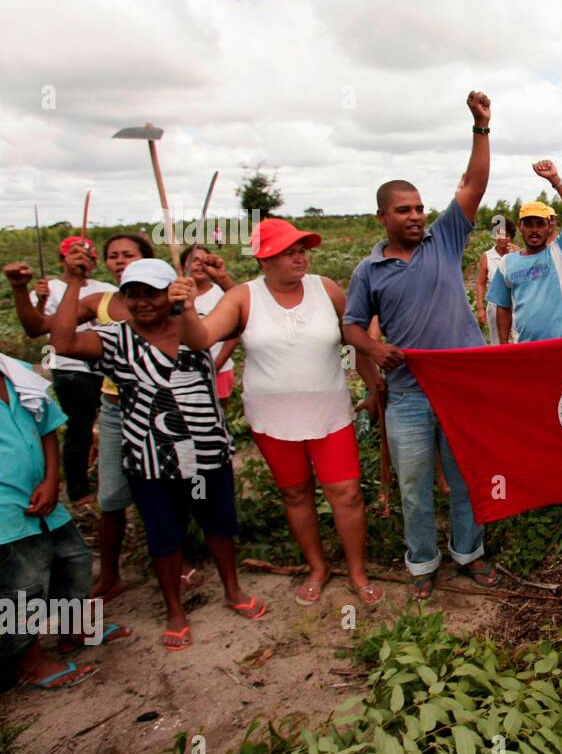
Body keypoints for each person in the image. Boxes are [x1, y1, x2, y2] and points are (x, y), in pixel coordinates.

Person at [52, 256, 264, 650]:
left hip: (206, 453)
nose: (141, 302)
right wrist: (72, 283)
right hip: (151, 457)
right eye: (132, 294)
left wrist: (201, 290)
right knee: (164, 535)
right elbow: (62, 343)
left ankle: (232, 590)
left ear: (172, 293)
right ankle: (174, 610)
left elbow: (238, 320)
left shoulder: (194, 326)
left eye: (151, 292)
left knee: (218, 524)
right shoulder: (114, 338)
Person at [178, 218, 385, 607]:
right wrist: (187, 309)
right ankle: (318, 567)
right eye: (287, 252)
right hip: (272, 417)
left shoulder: (326, 289)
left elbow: (353, 340)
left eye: (301, 250)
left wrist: (374, 388)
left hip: (329, 412)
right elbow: (200, 339)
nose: (298, 257)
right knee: (295, 493)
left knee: (347, 494)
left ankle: (357, 570)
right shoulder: (243, 297)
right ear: (263, 260)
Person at [342, 90, 499, 596]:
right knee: (414, 488)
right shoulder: (369, 270)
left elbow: (474, 183)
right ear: (382, 217)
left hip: (463, 389)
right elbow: (349, 325)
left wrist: (480, 127)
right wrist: (372, 349)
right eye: (403, 210)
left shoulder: (445, 238)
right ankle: (423, 564)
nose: (414, 216)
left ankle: (469, 553)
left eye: (419, 208)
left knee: (468, 477)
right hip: (407, 393)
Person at [5, 234, 167, 603]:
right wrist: (34, 288)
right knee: (111, 497)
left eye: (129, 254)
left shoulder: (165, 299)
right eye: (112, 256)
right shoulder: (102, 299)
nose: (119, 261)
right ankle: (110, 574)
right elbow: (40, 331)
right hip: (116, 406)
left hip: (163, 408)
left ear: (147, 261)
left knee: (165, 490)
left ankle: (174, 563)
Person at [0, 351, 130, 690]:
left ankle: (73, 628)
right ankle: (27, 659)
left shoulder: (17, 376)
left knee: (72, 559)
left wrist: (51, 480)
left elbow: (46, 430)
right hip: (5, 512)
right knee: (19, 587)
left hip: (41, 497)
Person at [6, 237, 115, 511]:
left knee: (103, 426)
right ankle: (78, 490)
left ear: (95, 262)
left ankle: (109, 482)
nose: (83, 260)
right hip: (68, 368)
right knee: (78, 428)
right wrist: (37, 299)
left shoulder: (107, 289)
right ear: (61, 260)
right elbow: (36, 326)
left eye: (88, 255)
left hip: (106, 369)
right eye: (75, 254)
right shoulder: (50, 287)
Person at [488, 160, 562, 343]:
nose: (534, 229)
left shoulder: (561, 252)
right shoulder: (507, 263)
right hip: (527, 351)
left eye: (540, 224)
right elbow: (502, 306)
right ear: (520, 226)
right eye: (528, 224)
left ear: (549, 226)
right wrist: (503, 346)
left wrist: (555, 180)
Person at [179, 245, 238, 401]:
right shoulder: (178, 295)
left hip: (219, 367)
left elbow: (233, 336)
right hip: (186, 371)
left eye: (204, 261)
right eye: (193, 260)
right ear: (183, 266)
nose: (199, 264)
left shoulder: (222, 294)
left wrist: (216, 365)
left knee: (219, 411)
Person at [476, 217, 516, 344]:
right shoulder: (487, 256)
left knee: (518, 340)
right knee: (497, 342)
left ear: (512, 237)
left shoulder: (519, 254)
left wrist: (519, 254)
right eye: (499, 234)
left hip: (517, 304)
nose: (502, 238)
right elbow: (481, 283)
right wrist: (480, 308)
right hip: (495, 306)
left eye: (507, 235)